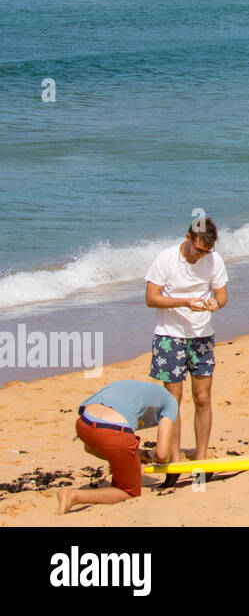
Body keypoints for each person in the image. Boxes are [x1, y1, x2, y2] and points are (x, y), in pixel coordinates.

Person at [146, 216, 228, 463]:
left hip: (201, 336)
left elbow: (222, 295)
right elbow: (151, 298)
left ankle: (201, 457)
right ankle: (175, 458)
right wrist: (184, 302)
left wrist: (216, 302)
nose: (201, 255)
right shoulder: (165, 259)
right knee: (173, 400)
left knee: (202, 398)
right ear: (188, 238)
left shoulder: (214, 260)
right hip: (169, 337)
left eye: (206, 251)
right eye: (198, 250)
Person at [57, 379, 179, 514]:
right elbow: (162, 455)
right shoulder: (171, 402)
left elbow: (89, 445)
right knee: (129, 492)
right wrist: (158, 458)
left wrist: (137, 454)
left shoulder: (130, 385)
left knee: (101, 446)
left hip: (84, 423)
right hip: (113, 432)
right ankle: (74, 496)